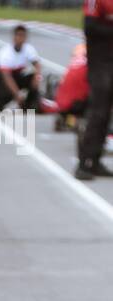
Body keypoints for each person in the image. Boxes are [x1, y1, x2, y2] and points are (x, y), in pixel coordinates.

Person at [76, 0, 113, 179]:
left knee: (106, 113)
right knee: (98, 111)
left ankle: (96, 160)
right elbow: (89, 27)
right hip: (100, 60)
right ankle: (83, 162)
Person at [0, 24, 42, 112]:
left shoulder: (28, 49)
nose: (20, 38)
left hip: (17, 75)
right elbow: (6, 77)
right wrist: (17, 95)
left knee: (33, 77)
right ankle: (2, 102)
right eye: (18, 35)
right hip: (3, 80)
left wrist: (37, 78)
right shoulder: (5, 53)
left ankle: (29, 105)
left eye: (23, 36)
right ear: (14, 37)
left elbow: (37, 64)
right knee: (4, 92)